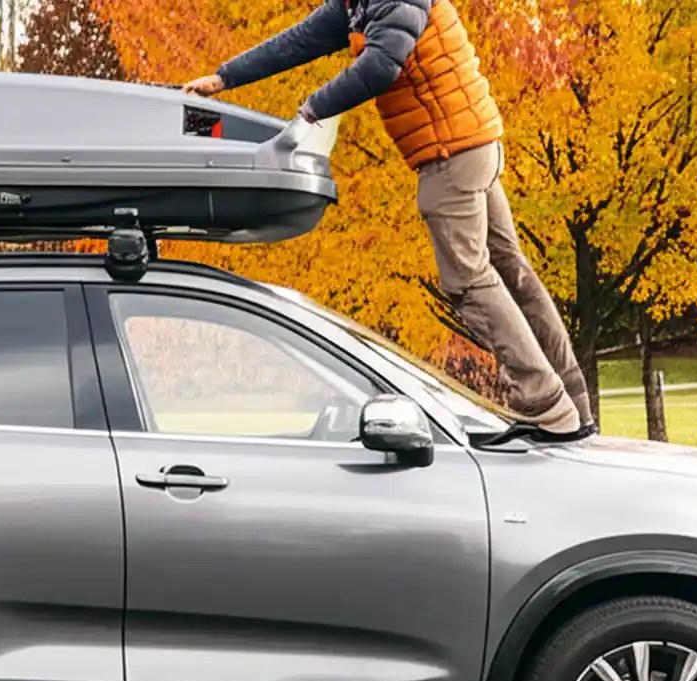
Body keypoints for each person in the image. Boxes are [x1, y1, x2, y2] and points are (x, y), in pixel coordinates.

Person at [183, 0, 596, 437]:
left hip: (449, 154)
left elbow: (381, 65)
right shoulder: (359, 4)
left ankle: (544, 404)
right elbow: (300, 40)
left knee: (467, 281)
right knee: (512, 273)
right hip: (472, 144)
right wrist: (224, 77)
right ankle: (572, 404)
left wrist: (311, 109)